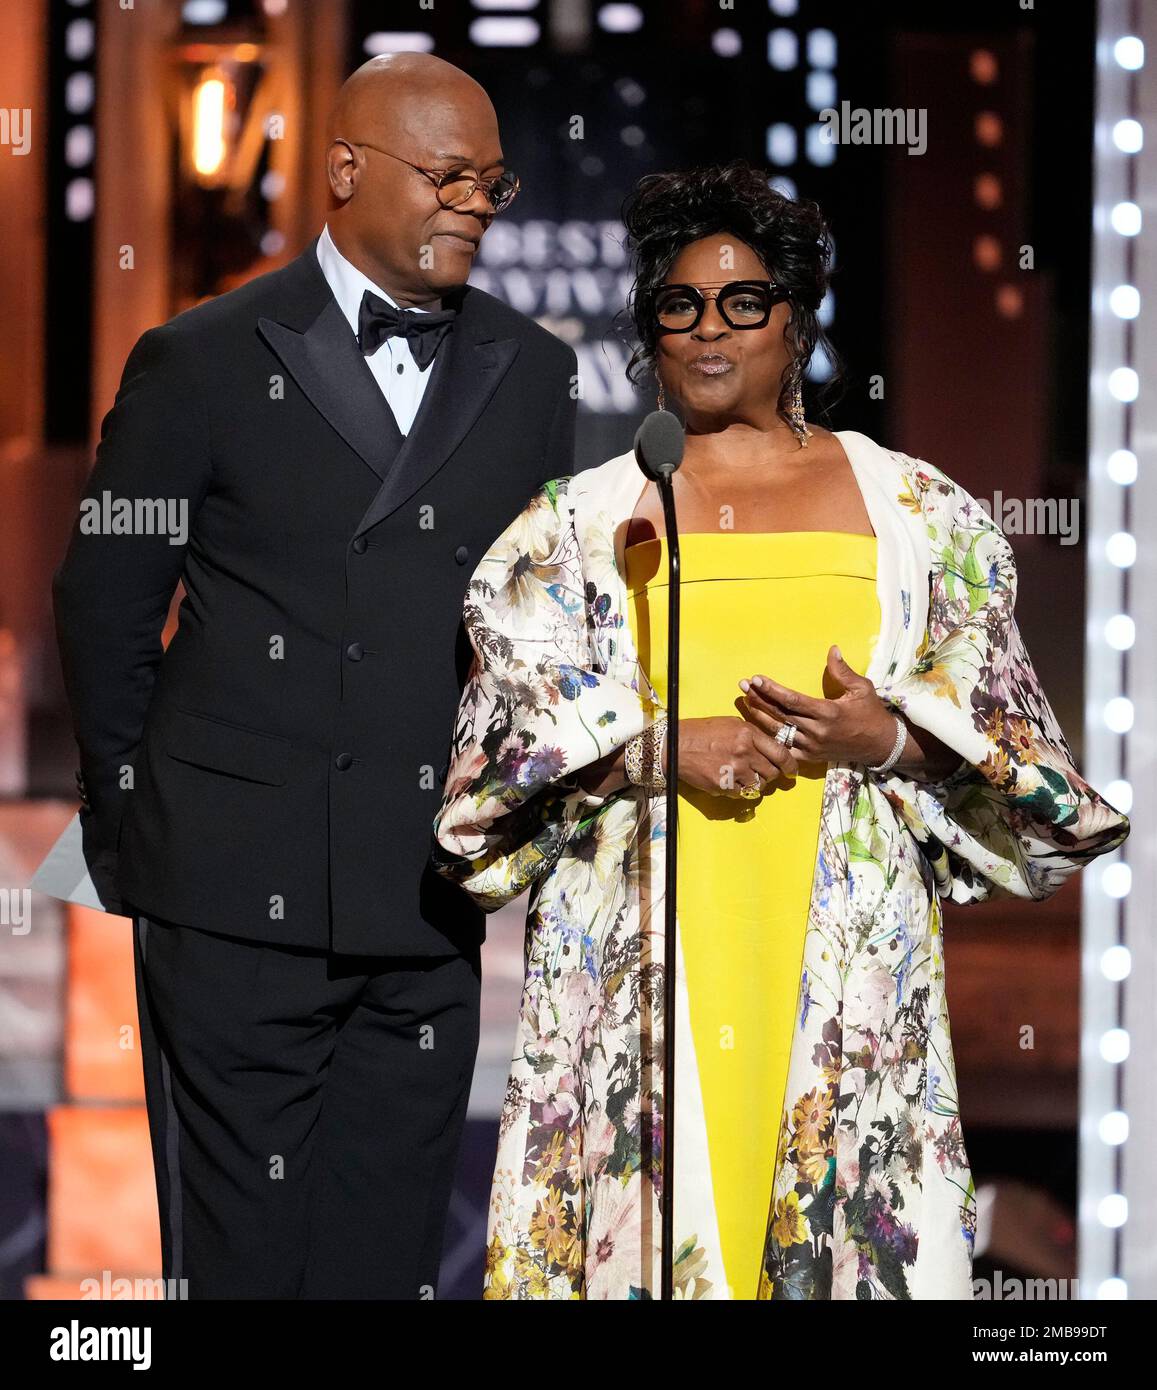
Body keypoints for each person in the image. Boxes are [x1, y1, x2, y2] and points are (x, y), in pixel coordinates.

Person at [431, 160, 1130, 1300]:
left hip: (850, 975)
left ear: (795, 322)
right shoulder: (575, 529)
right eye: (678, 304)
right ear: (647, 329)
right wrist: (661, 748)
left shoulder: (916, 514)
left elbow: (1044, 802)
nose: (709, 331)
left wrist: (890, 740)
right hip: (637, 974)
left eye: (742, 302)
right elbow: (477, 806)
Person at [47, 53, 577, 1299]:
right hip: (228, 891)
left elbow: (534, 626)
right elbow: (103, 601)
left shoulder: (533, 369)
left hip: (421, 894)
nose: (473, 206)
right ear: (344, 170)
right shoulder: (202, 357)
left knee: (381, 1257)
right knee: (237, 1258)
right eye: (446, 175)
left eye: (490, 183)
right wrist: (139, 831)